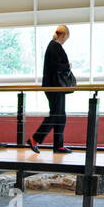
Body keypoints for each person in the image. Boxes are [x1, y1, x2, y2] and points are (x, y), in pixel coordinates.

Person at [29, 25, 74, 153]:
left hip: (56, 86)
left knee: (61, 116)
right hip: (54, 86)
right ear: (63, 35)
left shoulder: (53, 46)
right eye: (66, 38)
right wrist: (67, 66)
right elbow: (55, 66)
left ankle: (58, 145)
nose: (65, 40)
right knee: (56, 115)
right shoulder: (55, 46)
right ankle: (35, 139)